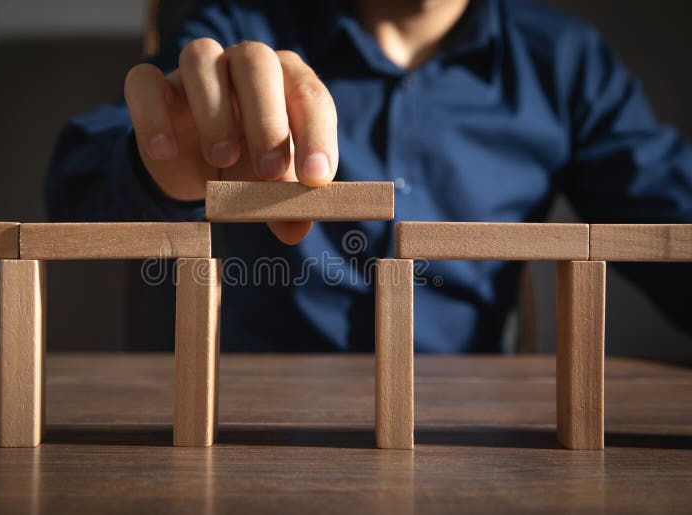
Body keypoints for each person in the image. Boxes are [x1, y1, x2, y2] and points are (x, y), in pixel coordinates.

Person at [46, 0, 692, 352]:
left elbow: (671, 222)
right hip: (254, 411)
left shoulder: (566, 58)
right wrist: (156, 167)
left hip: (477, 424)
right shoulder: (242, 21)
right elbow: (77, 194)